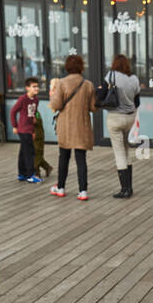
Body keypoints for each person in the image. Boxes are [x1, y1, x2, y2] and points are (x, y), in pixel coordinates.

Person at [49, 54, 94, 200]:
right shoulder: (88, 84)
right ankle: (83, 191)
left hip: (66, 127)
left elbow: (55, 105)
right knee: (81, 159)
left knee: (64, 157)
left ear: (67, 67)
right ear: (81, 67)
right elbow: (93, 107)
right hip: (82, 126)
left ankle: (61, 188)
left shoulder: (61, 83)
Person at [103, 53, 141, 200]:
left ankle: (124, 189)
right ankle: (129, 187)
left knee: (119, 152)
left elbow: (103, 95)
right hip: (130, 118)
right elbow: (137, 101)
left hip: (115, 118)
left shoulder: (110, 76)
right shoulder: (134, 79)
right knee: (126, 150)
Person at [10, 77, 42, 183]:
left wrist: (33, 125)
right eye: (34, 87)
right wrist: (15, 126)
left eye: (37, 86)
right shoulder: (23, 99)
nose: (36, 88)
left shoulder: (36, 99)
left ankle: (21, 173)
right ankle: (30, 175)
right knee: (29, 152)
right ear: (27, 88)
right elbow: (13, 111)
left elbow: (34, 112)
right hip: (23, 129)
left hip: (29, 129)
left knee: (23, 151)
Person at [33, 104, 53, 180]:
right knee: (35, 154)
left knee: (37, 154)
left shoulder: (36, 112)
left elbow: (37, 121)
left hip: (38, 136)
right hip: (31, 136)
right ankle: (47, 167)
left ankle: (36, 173)